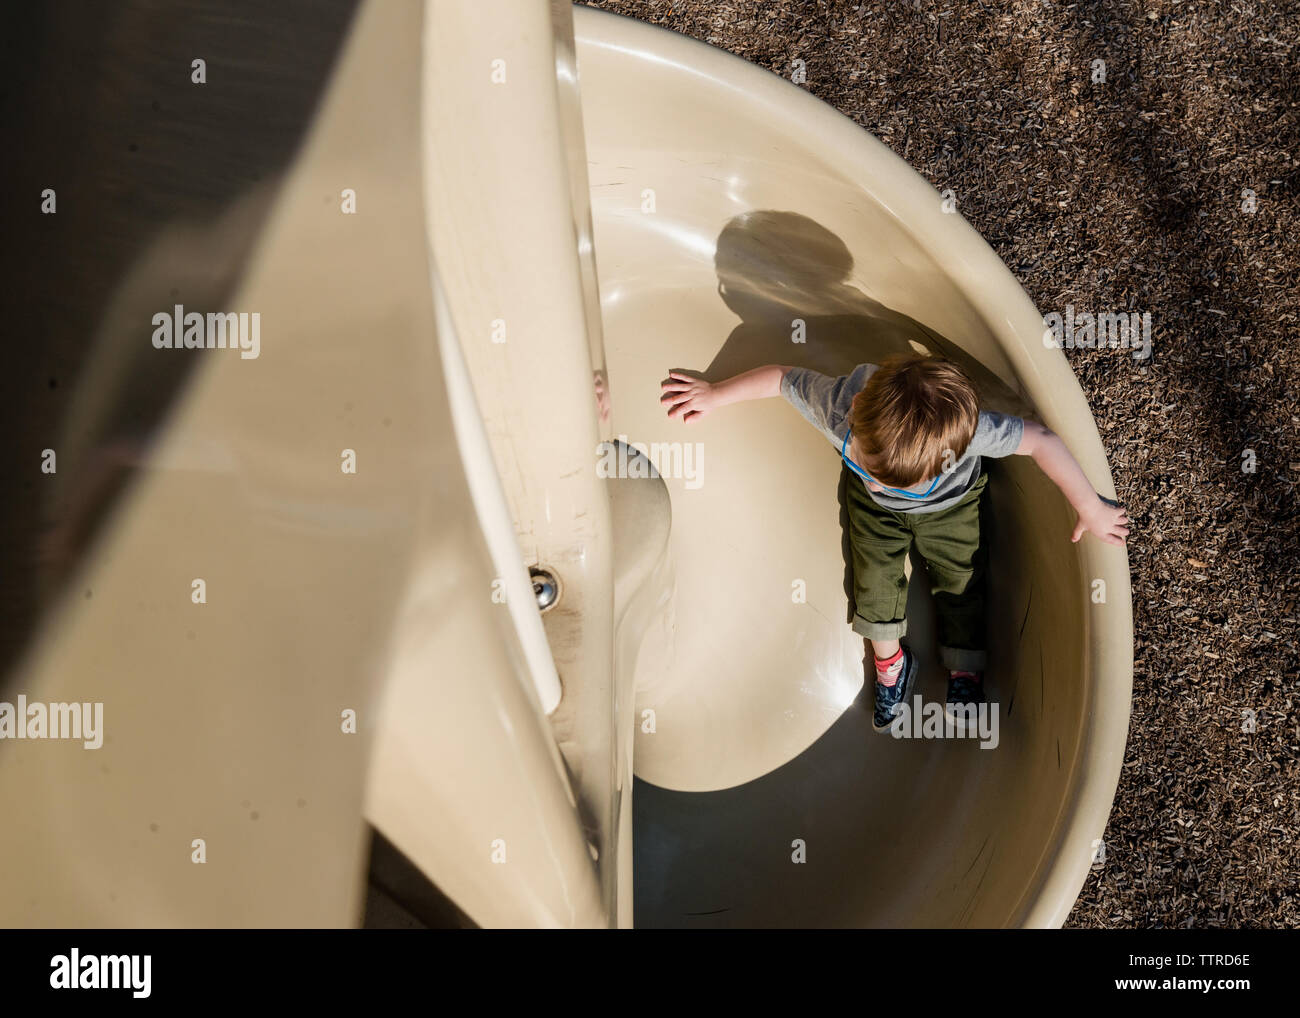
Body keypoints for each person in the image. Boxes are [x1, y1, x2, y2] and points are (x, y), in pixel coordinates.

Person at [660, 353, 1129, 731]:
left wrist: (1089, 506)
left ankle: (964, 669)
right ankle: (892, 664)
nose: (885, 484)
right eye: (874, 467)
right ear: (859, 405)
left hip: (952, 509)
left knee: (961, 581)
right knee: (873, 581)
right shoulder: (842, 405)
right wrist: (716, 395)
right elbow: (783, 378)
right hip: (873, 514)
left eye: (901, 482)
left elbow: (1041, 440)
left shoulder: (969, 432)